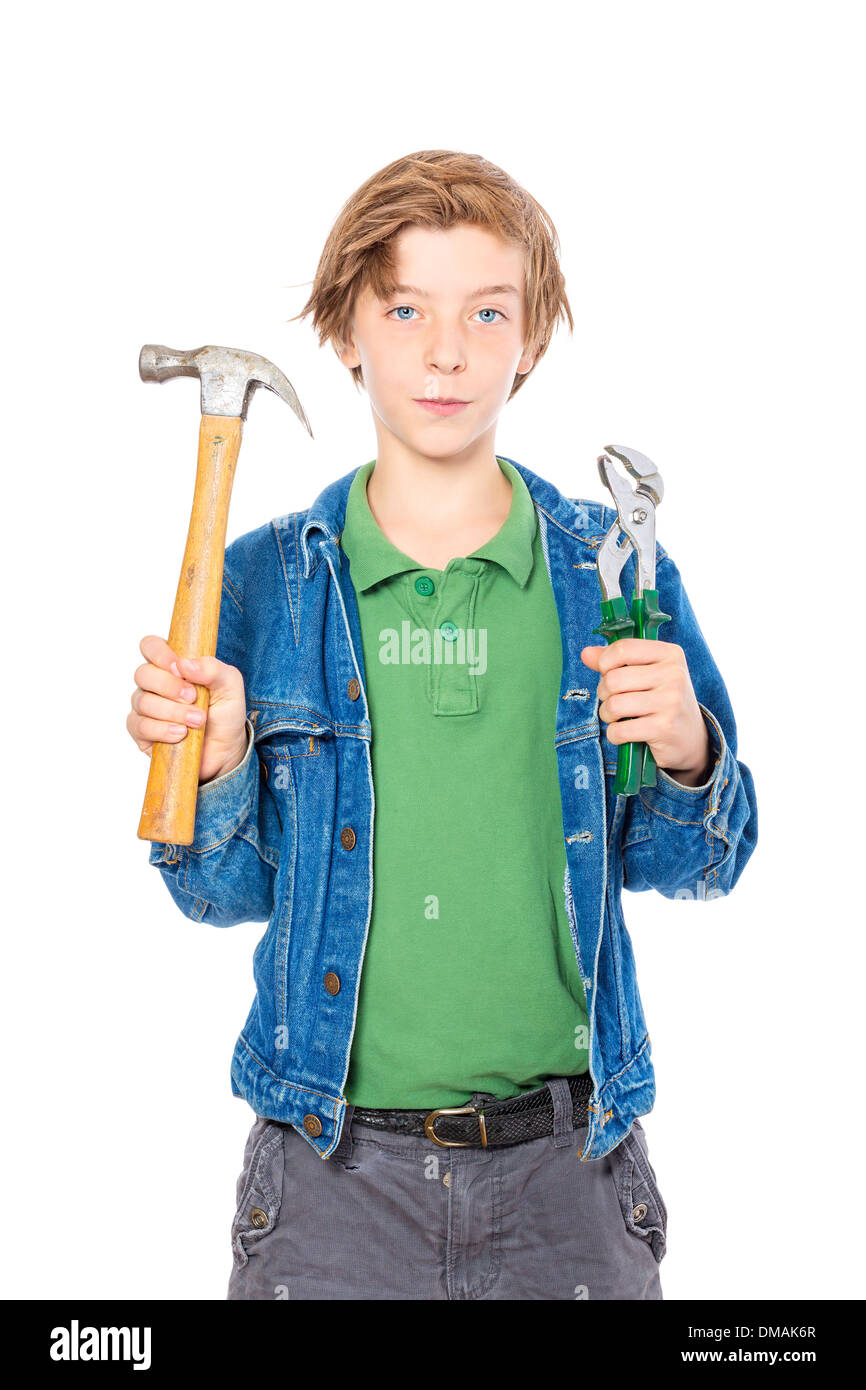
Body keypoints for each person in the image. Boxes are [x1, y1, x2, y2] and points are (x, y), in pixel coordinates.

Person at [127, 150, 757, 1300]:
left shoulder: (609, 574)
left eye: (486, 311)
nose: (446, 350)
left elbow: (698, 860)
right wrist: (214, 771)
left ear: (530, 339)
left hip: (570, 1179)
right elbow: (217, 894)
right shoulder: (265, 586)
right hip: (329, 1184)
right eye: (405, 306)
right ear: (344, 331)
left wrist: (685, 752)